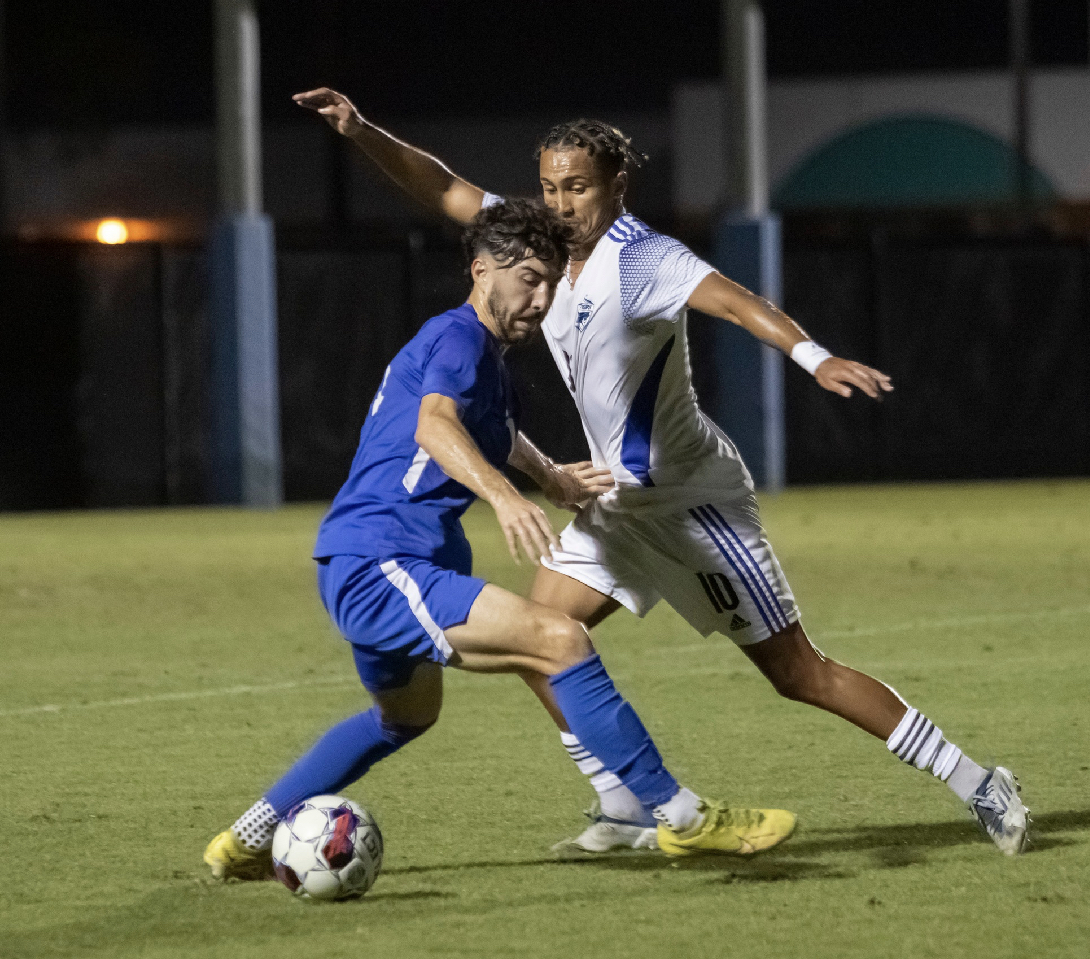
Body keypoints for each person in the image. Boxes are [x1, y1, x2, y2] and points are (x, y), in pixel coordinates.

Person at [292, 89, 1029, 857]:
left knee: (798, 674)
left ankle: (977, 780)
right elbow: (442, 186)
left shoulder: (645, 259)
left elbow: (738, 303)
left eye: (576, 186)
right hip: (617, 506)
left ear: (616, 187)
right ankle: (621, 802)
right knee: (546, 637)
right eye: (548, 186)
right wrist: (361, 130)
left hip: (691, 505)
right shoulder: (536, 248)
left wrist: (814, 356)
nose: (558, 202)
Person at [204, 199, 797, 881]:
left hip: (379, 559)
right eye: (527, 278)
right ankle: (681, 817)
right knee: (560, 639)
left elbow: (490, 428)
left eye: (550, 281)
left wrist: (549, 476)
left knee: (403, 717)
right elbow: (436, 426)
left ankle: (244, 837)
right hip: (381, 562)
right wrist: (508, 496)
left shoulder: (478, 354)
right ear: (482, 269)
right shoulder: (458, 337)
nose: (540, 297)